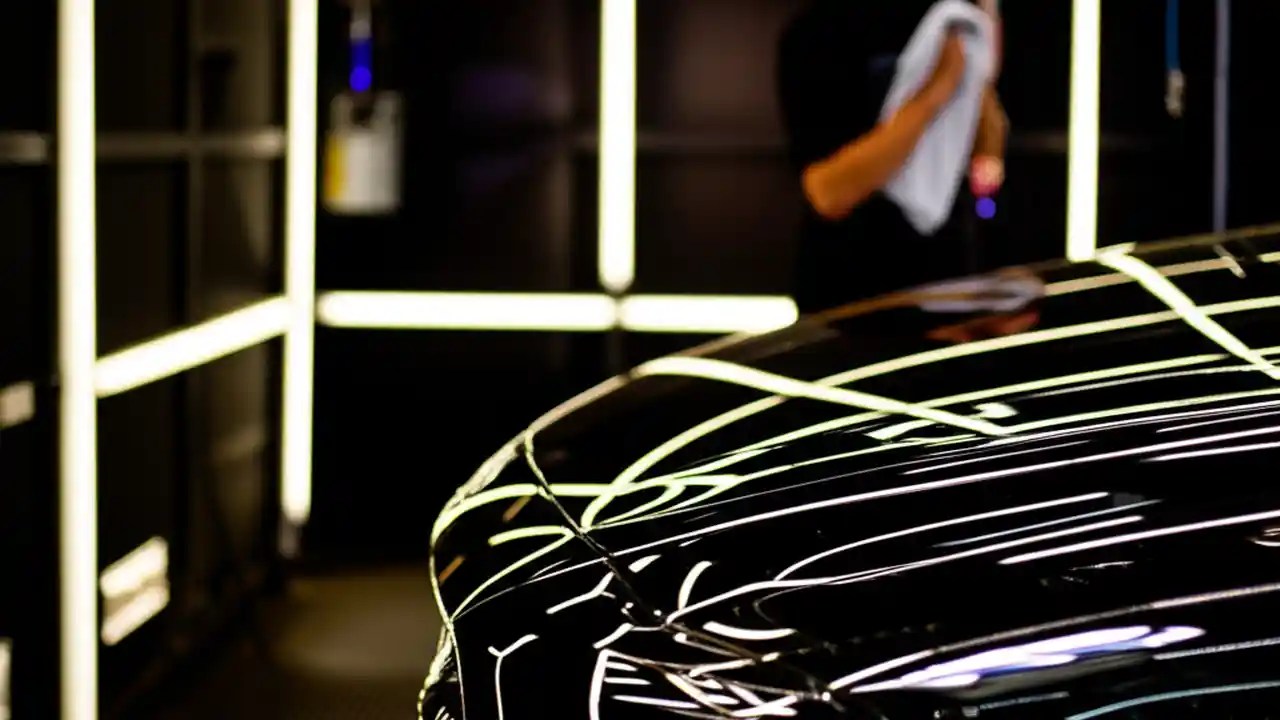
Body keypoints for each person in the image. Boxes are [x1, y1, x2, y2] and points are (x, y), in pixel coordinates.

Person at [777, 0, 1009, 314]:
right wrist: (931, 97)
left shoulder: (950, 22)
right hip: (851, 301)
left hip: (948, 295)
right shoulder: (818, 35)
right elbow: (830, 193)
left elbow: (985, 163)